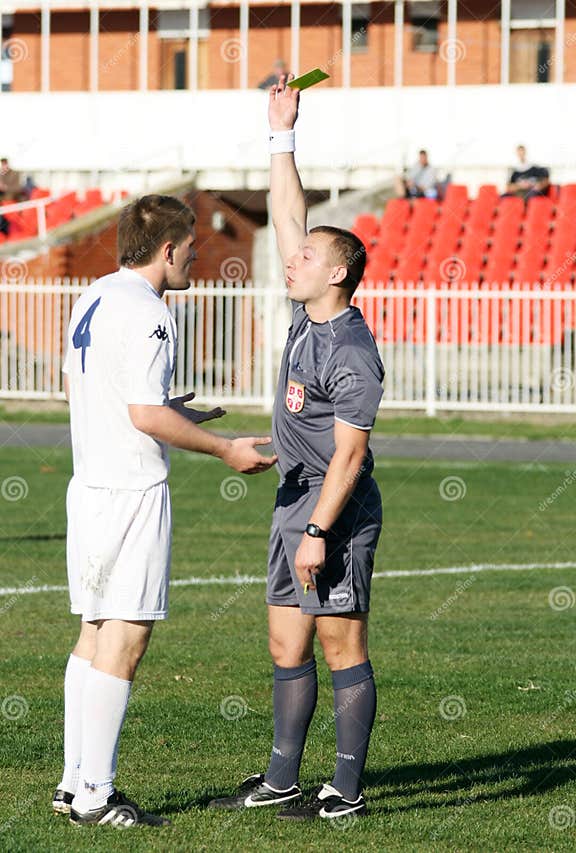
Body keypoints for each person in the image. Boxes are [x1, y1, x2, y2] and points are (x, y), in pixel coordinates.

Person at [53, 194, 277, 828]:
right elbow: (143, 415)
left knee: (92, 634)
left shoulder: (94, 293)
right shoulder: (152, 312)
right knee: (126, 638)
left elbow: (83, 385)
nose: (197, 257)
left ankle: (73, 785)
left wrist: (174, 410)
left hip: (89, 487)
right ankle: (97, 795)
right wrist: (223, 448)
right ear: (170, 248)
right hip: (132, 491)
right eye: (192, 247)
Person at [209, 75, 384, 821]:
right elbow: (287, 212)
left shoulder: (350, 349)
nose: (293, 257)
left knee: (341, 643)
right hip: (291, 498)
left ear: (337, 271)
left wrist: (319, 529)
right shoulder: (306, 311)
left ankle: (345, 789)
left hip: (332, 507)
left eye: (308, 254)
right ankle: (282, 776)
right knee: (287, 642)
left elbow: (348, 457)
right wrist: (281, 132)